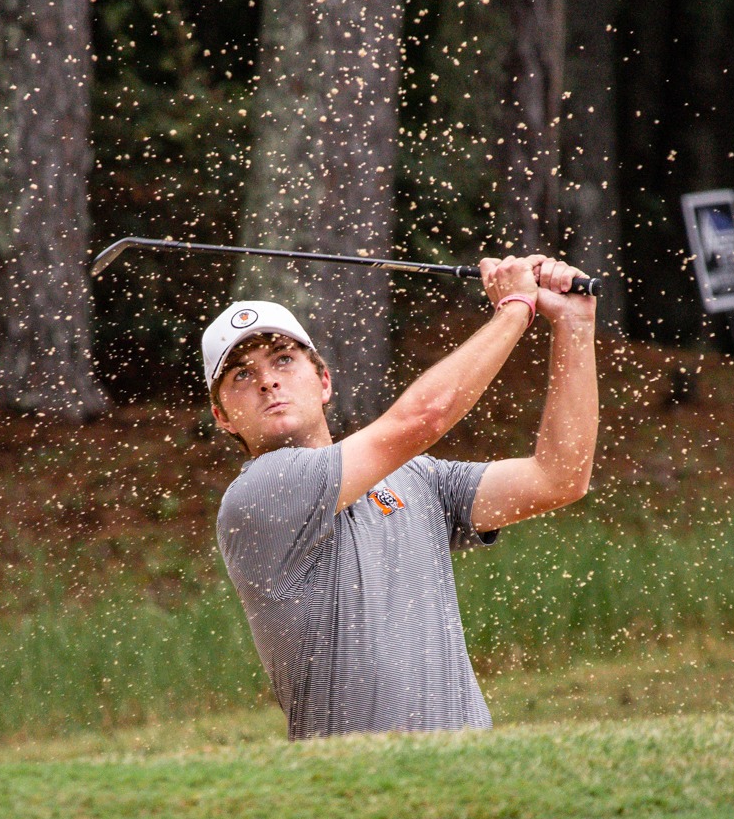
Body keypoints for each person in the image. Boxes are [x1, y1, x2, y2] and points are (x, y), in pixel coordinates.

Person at [205, 254, 598, 739]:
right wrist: (515, 308)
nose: (267, 380)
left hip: (473, 768)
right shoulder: (260, 493)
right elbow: (421, 420)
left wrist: (575, 325)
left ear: (323, 381)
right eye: (241, 374)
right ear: (223, 417)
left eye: (283, 359)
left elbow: (559, 478)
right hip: (357, 788)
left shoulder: (418, 478)